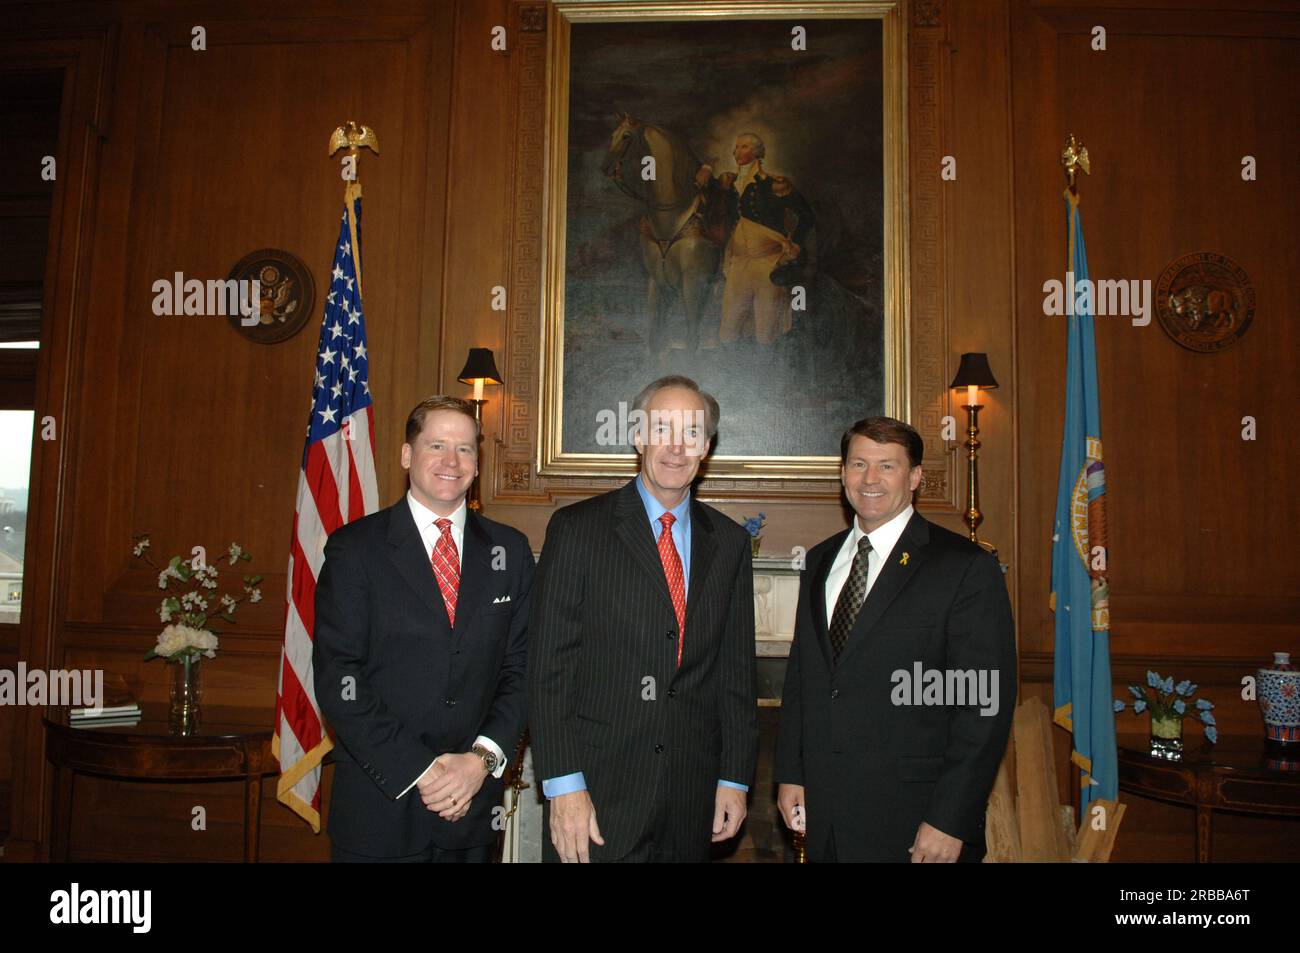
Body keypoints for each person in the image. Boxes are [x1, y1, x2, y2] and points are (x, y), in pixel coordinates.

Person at [528, 375, 757, 862]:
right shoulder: (577, 529)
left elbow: (736, 675)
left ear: (707, 446)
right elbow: (548, 669)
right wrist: (564, 785)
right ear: (637, 434)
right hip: (596, 795)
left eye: (691, 432)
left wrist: (734, 778)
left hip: (691, 801)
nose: (676, 447)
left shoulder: (731, 543)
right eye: (662, 428)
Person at [775, 416, 1016, 862]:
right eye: (858, 464)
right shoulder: (819, 560)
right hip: (824, 811)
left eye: (887, 466)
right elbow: (803, 677)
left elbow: (983, 705)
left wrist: (950, 818)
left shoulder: (963, 568)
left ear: (916, 477)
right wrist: (792, 773)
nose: (870, 479)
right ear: (843, 473)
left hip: (916, 818)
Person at [313, 396, 533, 862]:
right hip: (379, 811)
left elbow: (522, 669)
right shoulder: (355, 550)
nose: (452, 461)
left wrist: (481, 762)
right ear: (407, 456)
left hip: (471, 813)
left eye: (466, 449)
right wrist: (425, 772)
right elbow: (340, 681)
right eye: (437, 445)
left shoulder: (509, 552)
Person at [696, 133, 816, 346]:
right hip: (738, 262)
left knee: (766, 329)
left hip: (768, 262)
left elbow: (806, 215)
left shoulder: (774, 184)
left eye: (743, 147)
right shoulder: (728, 183)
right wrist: (706, 167)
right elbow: (706, 196)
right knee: (729, 328)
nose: (736, 152)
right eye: (735, 148)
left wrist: (795, 244)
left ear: (757, 152)